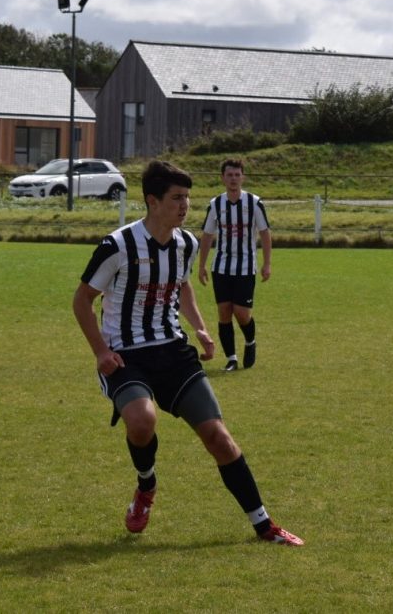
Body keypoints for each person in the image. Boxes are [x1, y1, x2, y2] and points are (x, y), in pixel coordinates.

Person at [71, 160, 302, 545]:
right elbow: (82, 300)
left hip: (173, 352)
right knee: (142, 421)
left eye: (187, 198)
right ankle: (146, 485)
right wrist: (100, 352)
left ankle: (264, 525)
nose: (185, 205)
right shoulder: (118, 245)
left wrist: (200, 327)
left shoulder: (186, 244)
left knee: (219, 438)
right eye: (177, 198)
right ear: (153, 201)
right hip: (126, 355)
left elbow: (182, 285)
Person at [197, 158, 272, 372]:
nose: (233, 179)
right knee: (224, 312)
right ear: (222, 178)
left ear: (243, 177)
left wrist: (267, 264)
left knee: (241, 313)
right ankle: (231, 359)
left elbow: (265, 233)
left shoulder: (254, 202)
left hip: (246, 266)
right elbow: (207, 235)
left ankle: (250, 341)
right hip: (221, 267)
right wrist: (202, 265)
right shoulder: (215, 204)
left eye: (237, 175)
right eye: (229, 175)